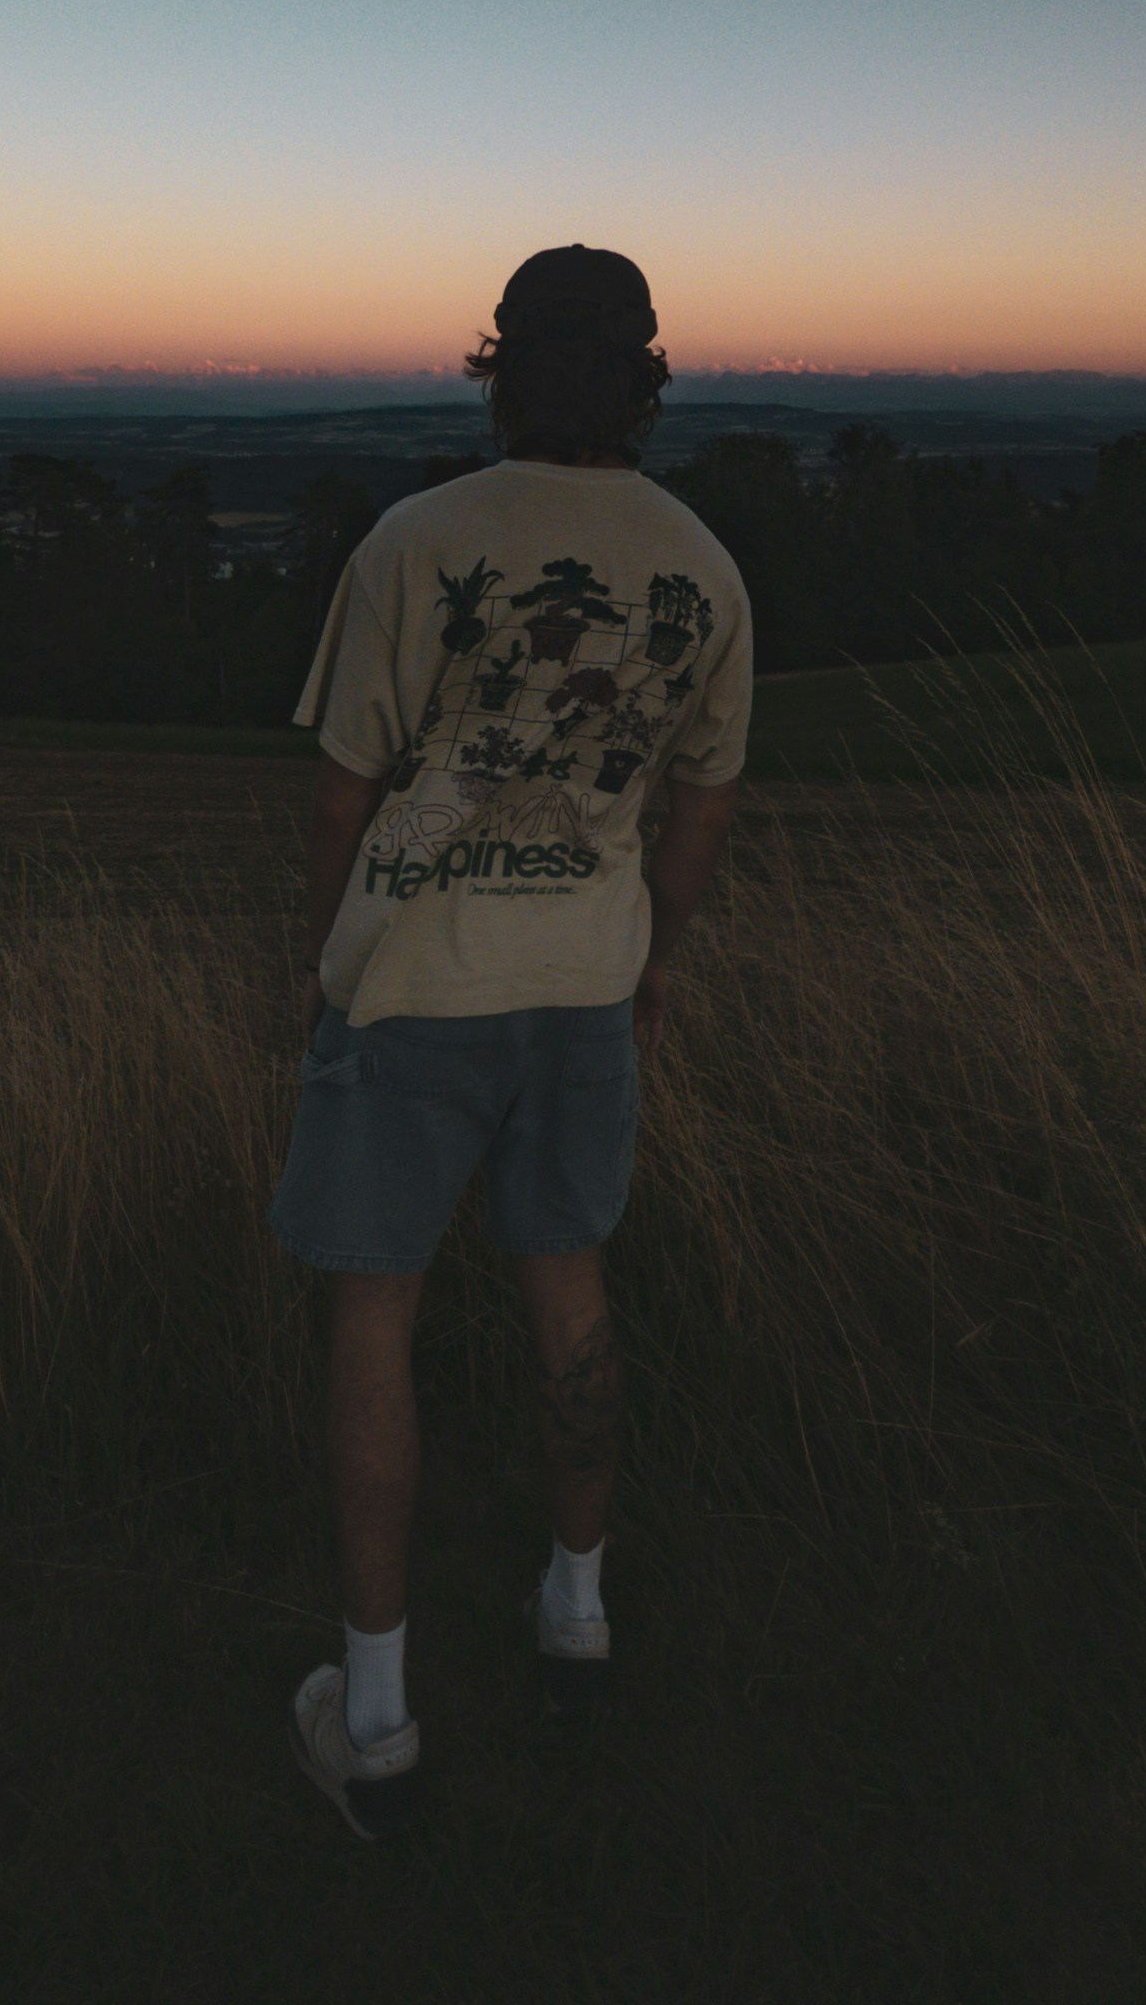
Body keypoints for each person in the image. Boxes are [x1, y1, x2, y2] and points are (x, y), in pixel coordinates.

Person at [273, 245, 752, 1839]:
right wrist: (652, 961)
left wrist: (328, 959)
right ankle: (575, 1615)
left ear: (500, 370)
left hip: (412, 985)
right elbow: (698, 814)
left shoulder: (419, 542)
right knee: (568, 1288)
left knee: (373, 1316)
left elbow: (341, 795)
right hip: (582, 984)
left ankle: (377, 1714)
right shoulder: (702, 568)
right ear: (644, 380)